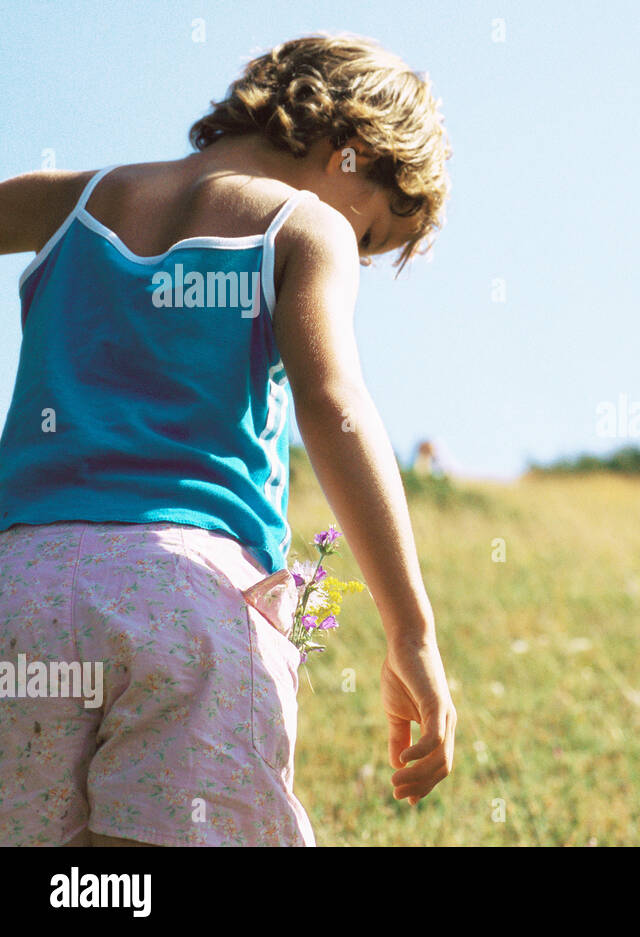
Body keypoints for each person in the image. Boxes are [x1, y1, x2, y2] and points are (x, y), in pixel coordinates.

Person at [0, 34, 456, 846]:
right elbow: (333, 402)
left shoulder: (76, 198)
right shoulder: (305, 225)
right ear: (352, 154)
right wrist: (411, 632)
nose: (358, 249)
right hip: (187, 599)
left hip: (21, 590)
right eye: (373, 231)